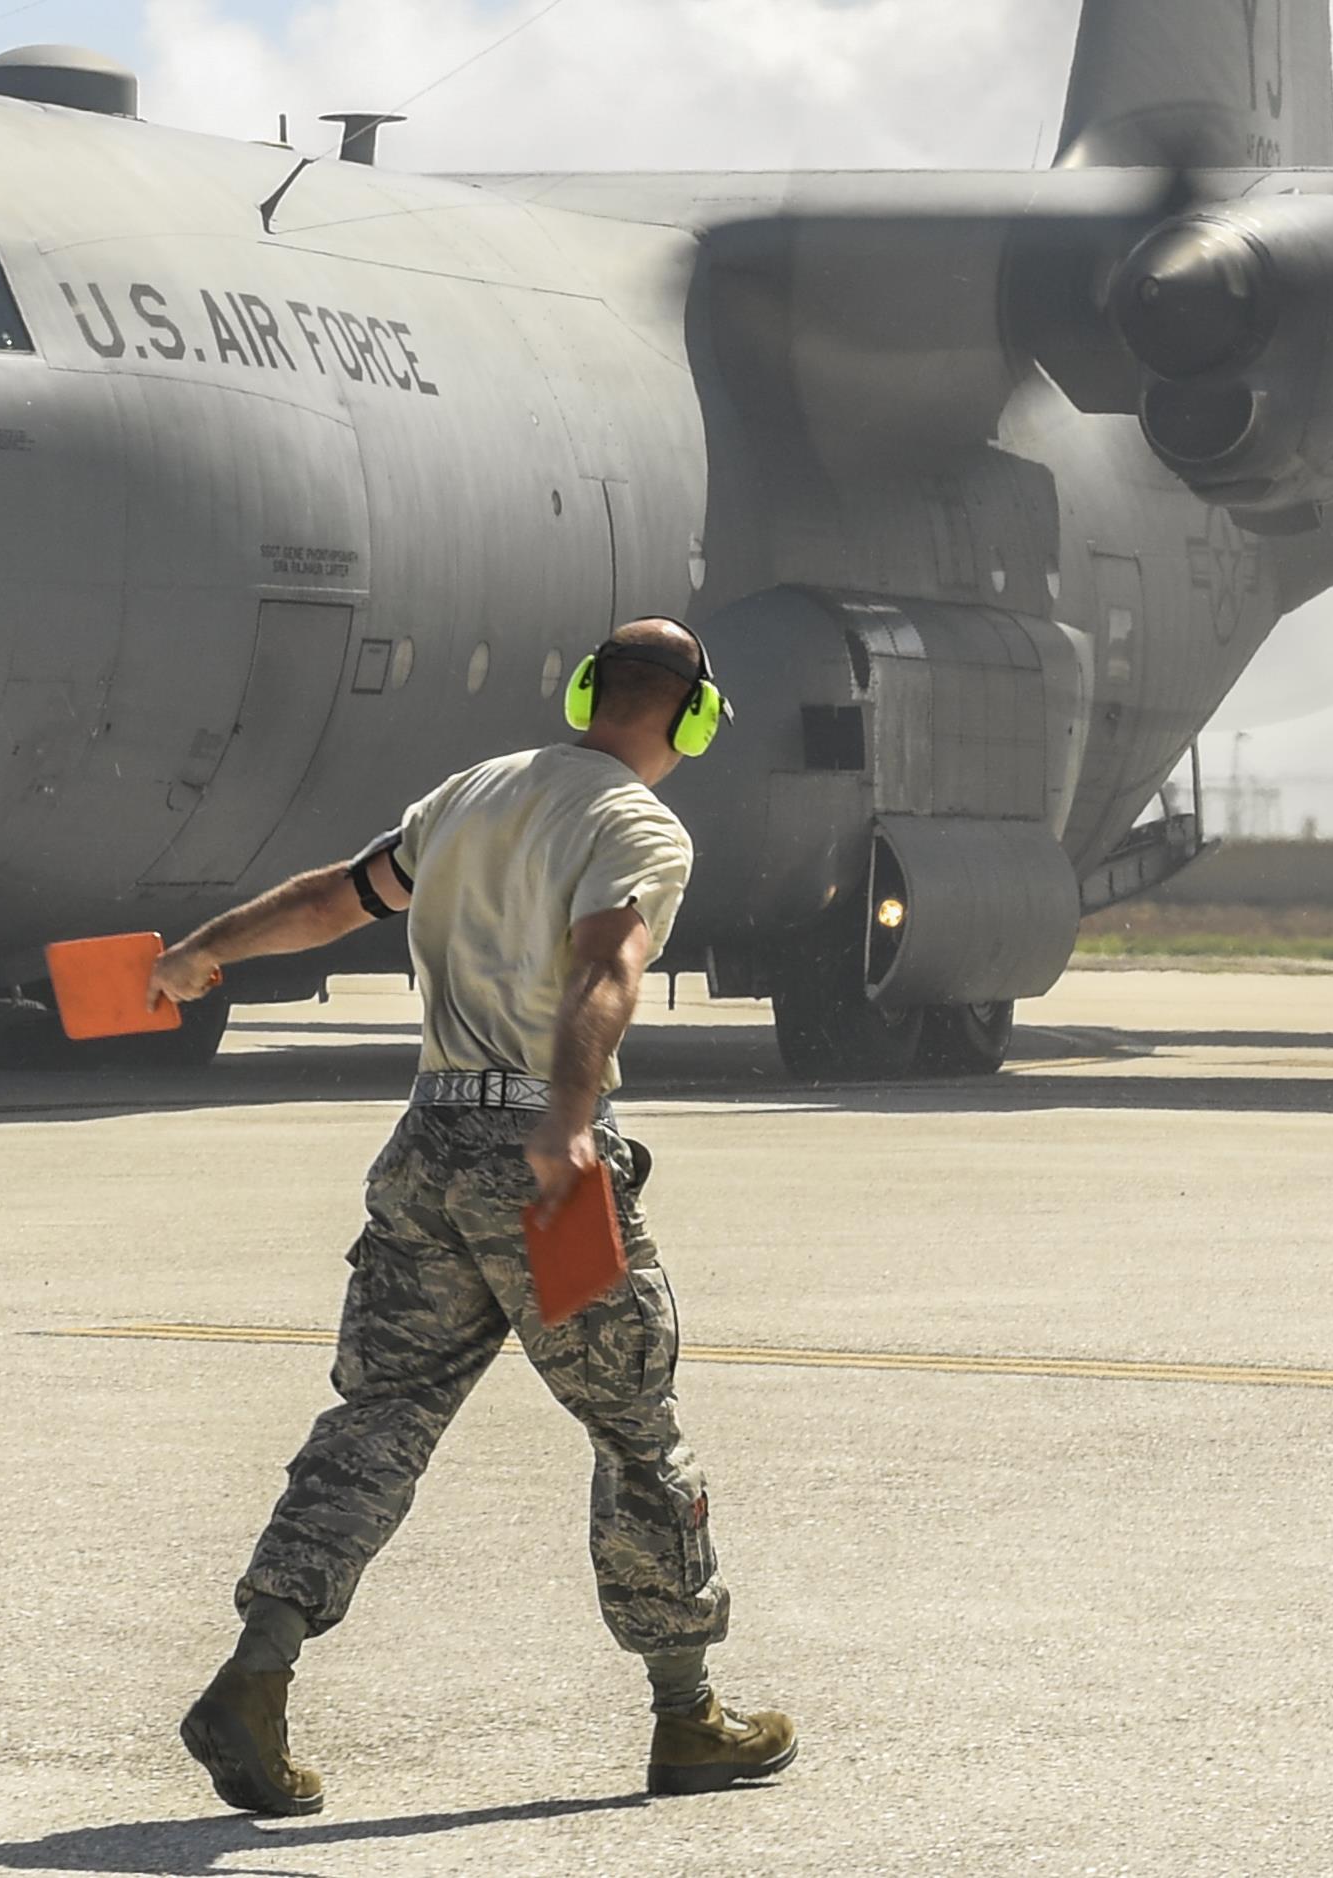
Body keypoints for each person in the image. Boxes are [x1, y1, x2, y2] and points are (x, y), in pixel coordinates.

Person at [147, 617, 796, 1814]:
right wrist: (568, 1115)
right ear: (694, 718)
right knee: (635, 1427)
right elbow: (608, 965)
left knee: (379, 1417)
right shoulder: (639, 826)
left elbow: (336, 900)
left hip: (429, 1140)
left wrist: (203, 951)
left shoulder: (470, 793)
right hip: (534, 1158)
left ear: (590, 693)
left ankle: (256, 1673)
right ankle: (688, 1717)